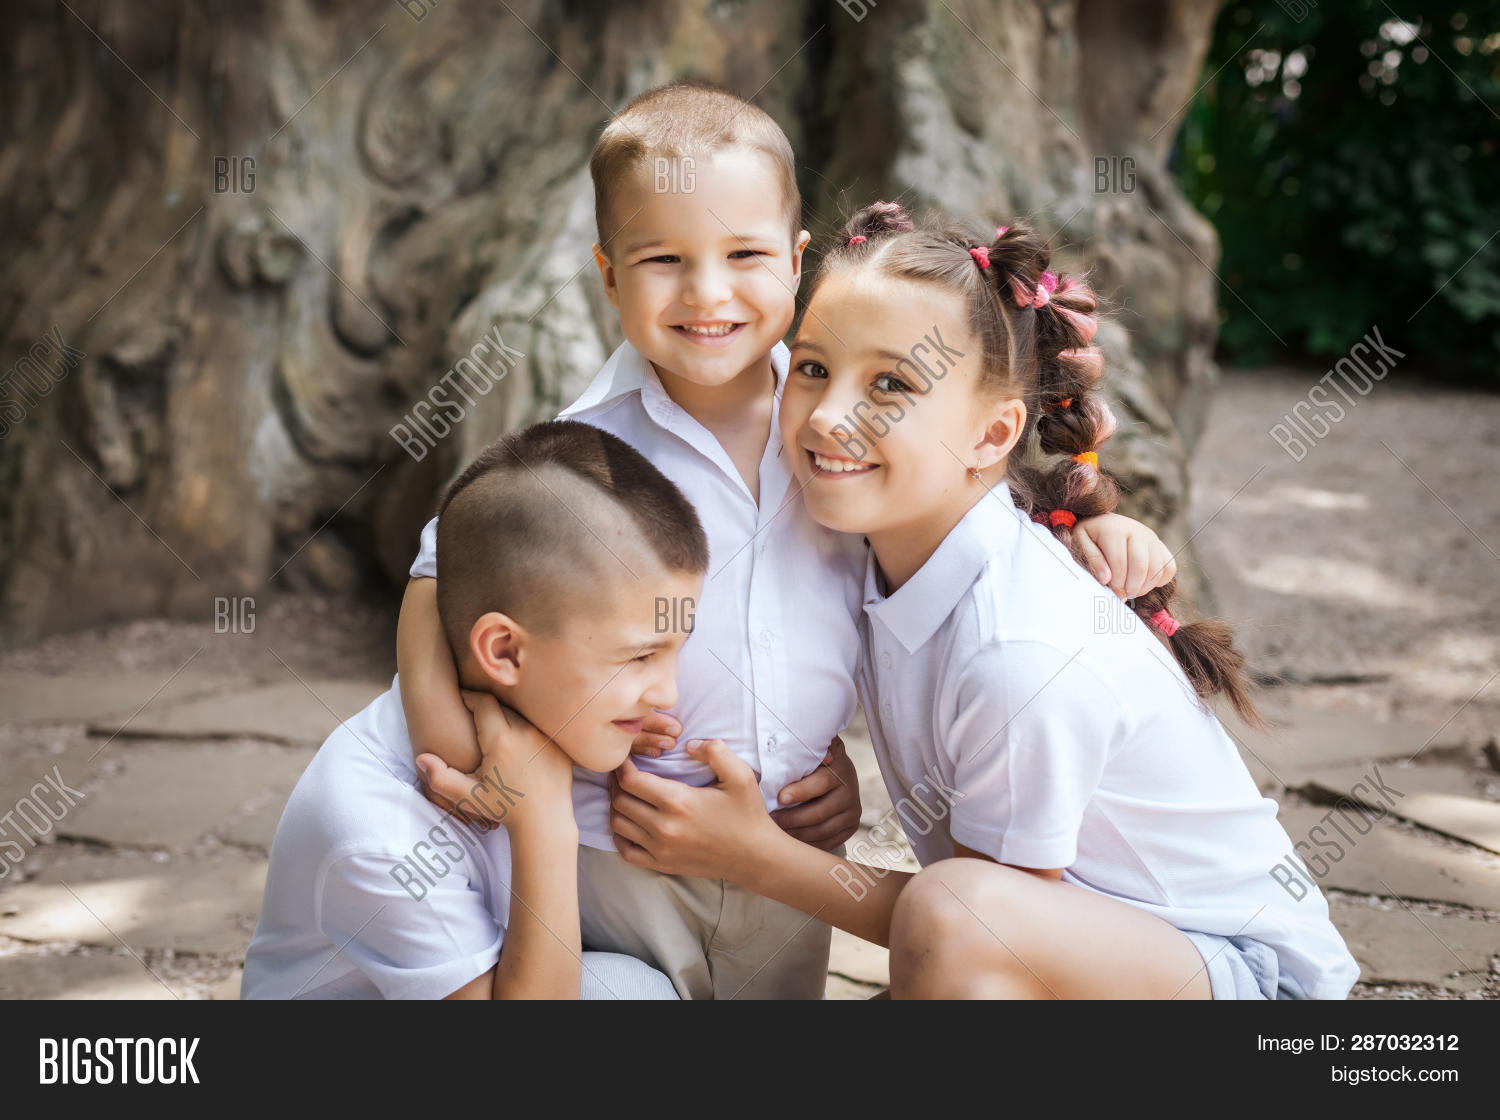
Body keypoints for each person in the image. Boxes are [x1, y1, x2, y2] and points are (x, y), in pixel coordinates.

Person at [402, 82, 1177, 999]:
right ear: (608, 275)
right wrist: (457, 746)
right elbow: (441, 566)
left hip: (794, 847)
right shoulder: (593, 445)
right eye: (662, 260)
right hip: (628, 838)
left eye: (744, 254)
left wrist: (1099, 528)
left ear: (797, 261)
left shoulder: (827, 411)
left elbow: (964, 494)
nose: (708, 293)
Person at [603, 205, 1360, 1000]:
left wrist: (755, 856)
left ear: (993, 435)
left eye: (890, 384)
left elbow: (975, 926)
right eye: (816, 369)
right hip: (1082, 951)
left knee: (950, 912)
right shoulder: (874, 543)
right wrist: (807, 765)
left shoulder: (1018, 652)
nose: (829, 417)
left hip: (1252, 983)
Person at [242, 421, 702, 999]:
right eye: (638, 657)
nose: (668, 694)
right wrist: (542, 822)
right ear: (505, 651)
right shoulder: (380, 835)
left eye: (673, 653)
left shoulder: (534, 713)